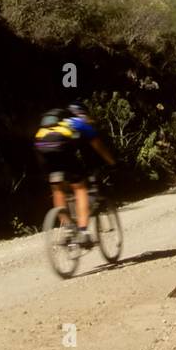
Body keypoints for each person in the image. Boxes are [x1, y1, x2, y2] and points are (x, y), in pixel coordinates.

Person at [34, 102, 116, 247]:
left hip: (44, 151)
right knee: (80, 188)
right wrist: (111, 162)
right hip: (64, 153)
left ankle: (67, 229)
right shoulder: (79, 123)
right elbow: (98, 147)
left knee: (57, 189)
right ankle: (83, 231)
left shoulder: (51, 125)